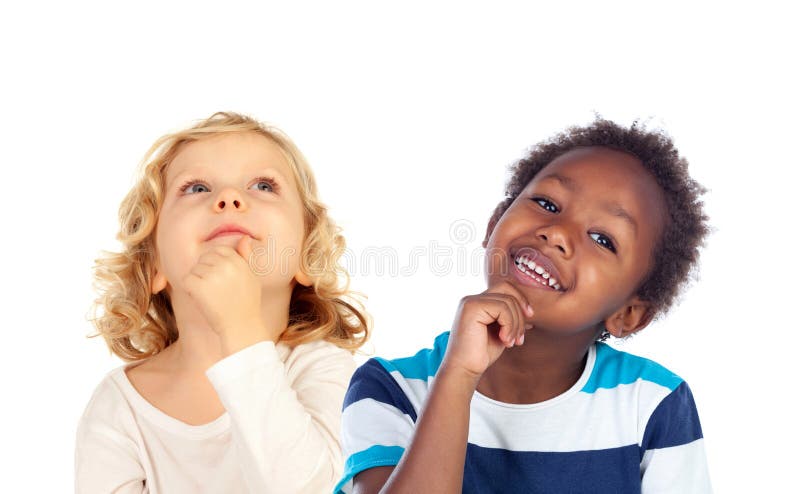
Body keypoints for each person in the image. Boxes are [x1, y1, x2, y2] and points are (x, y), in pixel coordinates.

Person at [338, 119, 712, 493]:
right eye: (547, 204)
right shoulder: (391, 389)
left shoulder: (652, 404)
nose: (558, 233)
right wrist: (458, 377)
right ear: (492, 225)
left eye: (602, 239)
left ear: (629, 314)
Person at [75, 112, 369, 493]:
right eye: (196, 188)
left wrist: (240, 332)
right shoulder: (119, 408)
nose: (229, 199)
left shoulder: (328, 371)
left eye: (263, 185)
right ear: (153, 264)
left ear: (305, 258)